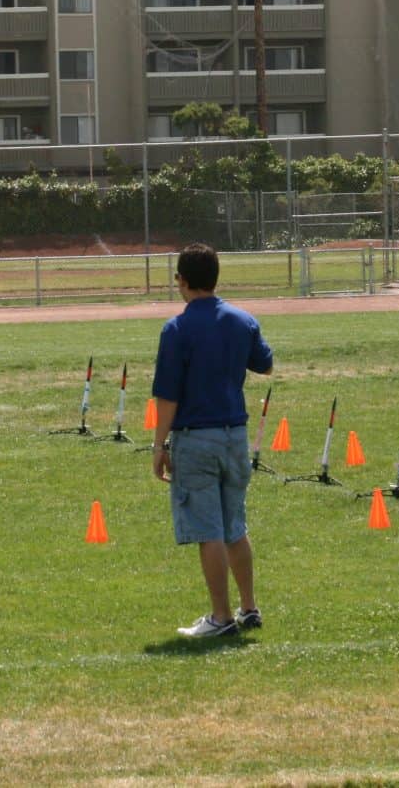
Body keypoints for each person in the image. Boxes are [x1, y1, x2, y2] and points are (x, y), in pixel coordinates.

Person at [150, 242, 273, 639]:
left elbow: (168, 396)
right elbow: (265, 363)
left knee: (209, 530)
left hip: (197, 439)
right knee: (235, 525)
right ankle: (249, 607)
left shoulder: (177, 329)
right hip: (235, 436)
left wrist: (159, 445)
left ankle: (221, 617)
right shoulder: (242, 320)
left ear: (182, 281)